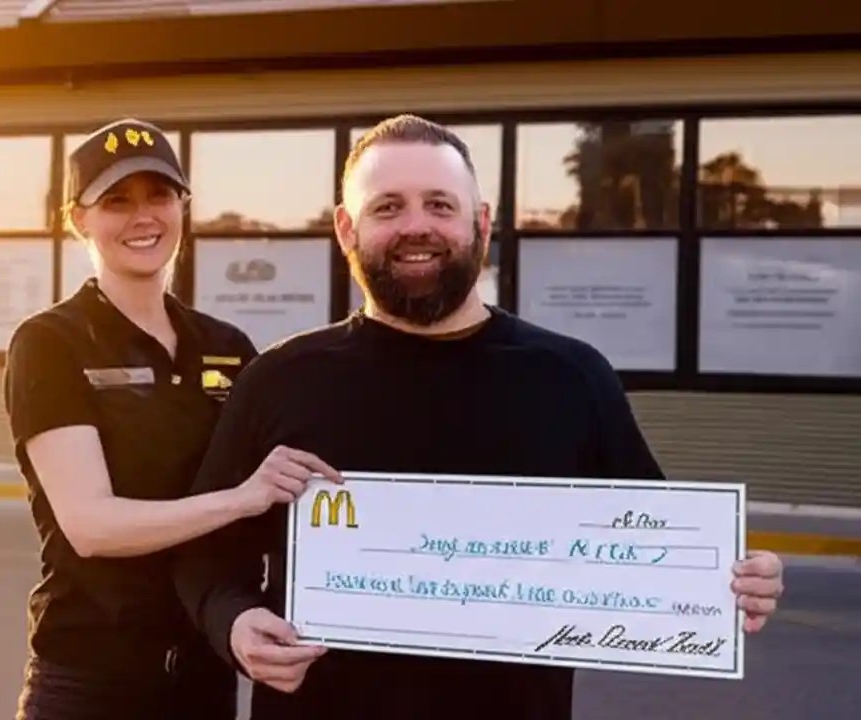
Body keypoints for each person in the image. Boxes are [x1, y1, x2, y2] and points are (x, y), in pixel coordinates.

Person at [172, 113, 786, 719]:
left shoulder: (570, 378)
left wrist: (733, 579)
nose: (417, 227)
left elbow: (660, 548)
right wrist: (236, 623)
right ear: (346, 228)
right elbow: (206, 555)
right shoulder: (280, 378)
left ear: (482, 223)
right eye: (388, 208)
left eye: (440, 205)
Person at [3, 117, 340, 720]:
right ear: (77, 220)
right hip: (89, 683)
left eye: (159, 195)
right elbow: (91, 525)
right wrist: (242, 499)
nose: (143, 216)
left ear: (183, 207)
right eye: (116, 201)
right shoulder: (51, 344)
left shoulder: (228, 347)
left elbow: (284, 497)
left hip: (203, 674)